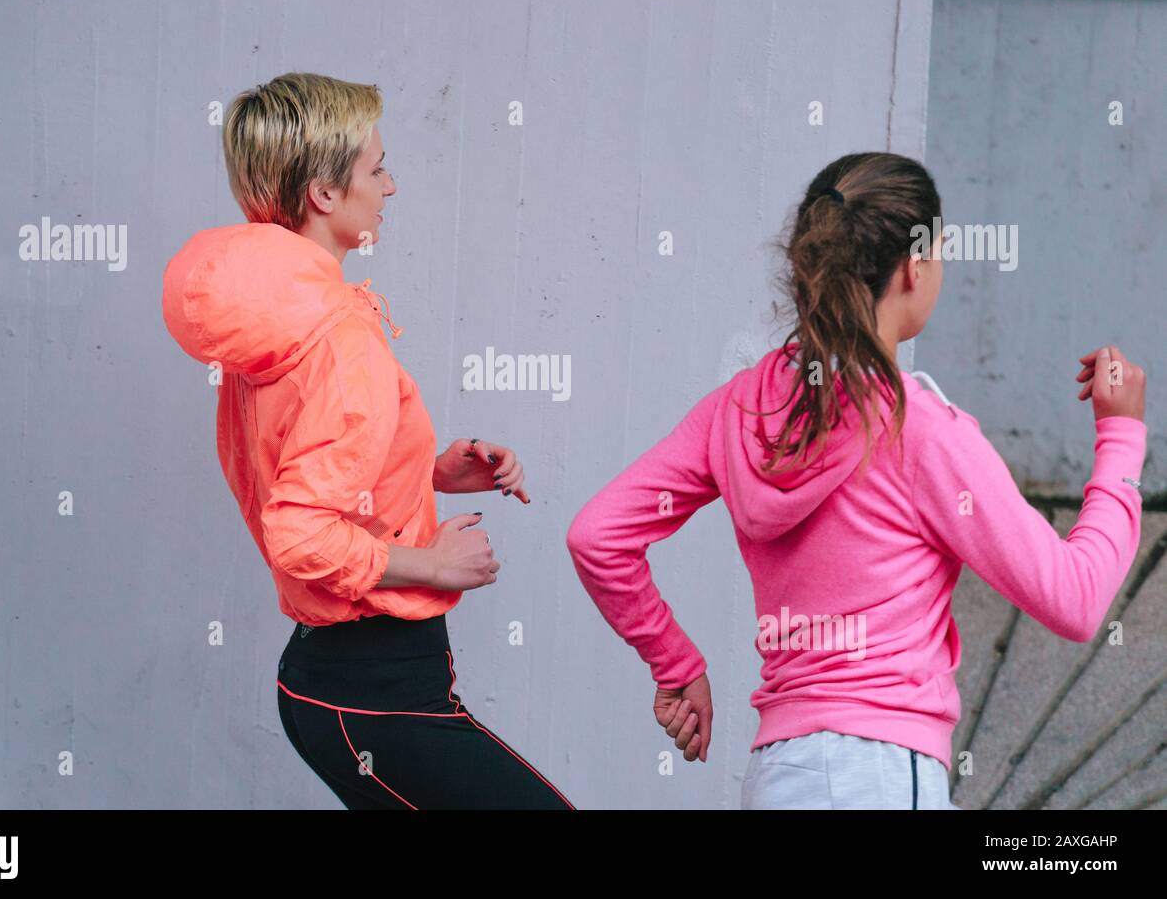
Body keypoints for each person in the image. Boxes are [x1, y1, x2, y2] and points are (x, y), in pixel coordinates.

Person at [565, 152, 1147, 809]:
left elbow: (597, 534)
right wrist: (1121, 436)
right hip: (881, 773)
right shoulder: (921, 430)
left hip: (777, 775)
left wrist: (676, 663)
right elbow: (1074, 597)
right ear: (913, 268)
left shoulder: (736, 410)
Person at [162, 72, 572, 809]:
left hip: (340, 681)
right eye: (376, 168)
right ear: (324, 192)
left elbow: (307, 462)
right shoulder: (338, 337)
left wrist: (431, 470)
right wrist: (435, 564)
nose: (390, 185)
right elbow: (300, 531)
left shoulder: (283, 328)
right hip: (371, 692)